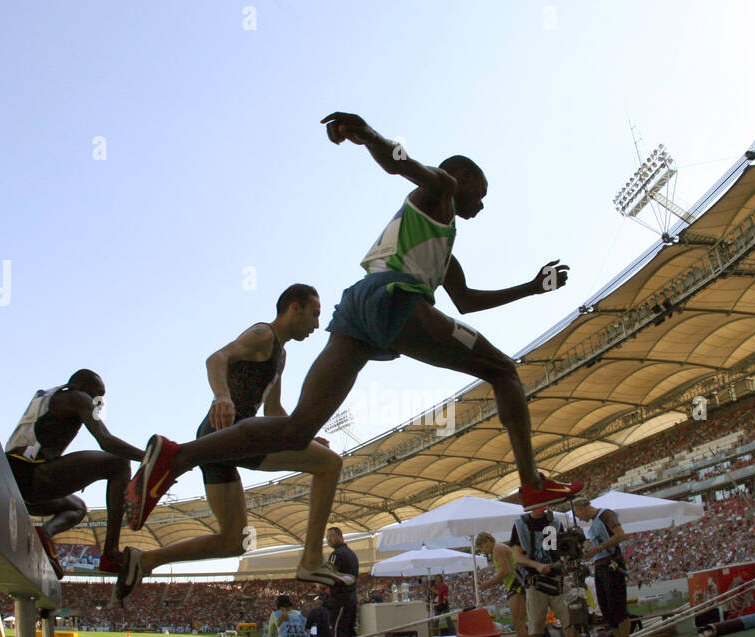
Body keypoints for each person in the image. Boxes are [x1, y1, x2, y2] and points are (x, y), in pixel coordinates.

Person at [124, 111, 583, 532]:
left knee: (297, 430)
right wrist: (367, 135)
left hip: (358, 310)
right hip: (393, 301)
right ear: (461, 177)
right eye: (479, 194)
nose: (480, 207)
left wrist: (531, 286)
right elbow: (401, 164)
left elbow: (466, 302)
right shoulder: (442, 187)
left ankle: (177, 456)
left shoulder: (439, 245)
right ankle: (532, 481)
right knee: (502, 369)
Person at [115, 285, 350, 598]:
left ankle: (145, 559)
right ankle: (311, 559)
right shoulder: (262, 334)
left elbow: (274, 411)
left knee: (233, 542)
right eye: (314, 314)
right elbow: (217, 358)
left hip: (224, 440)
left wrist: (305, 433)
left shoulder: (280, 354)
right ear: (294, 308)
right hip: (229, 432)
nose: (317, 325)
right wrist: (222, 395)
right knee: (329, 465)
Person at [4, 369, 143, 578]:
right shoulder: (76, 396)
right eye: (98, 393)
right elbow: (105, 440)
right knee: (119, 464)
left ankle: (45, 535)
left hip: (21, 483)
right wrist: (149, 457)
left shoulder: (49, 398)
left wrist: (76, 474)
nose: (100, 400)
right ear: (83, 387)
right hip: (30, 475)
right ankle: (111, 553)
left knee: (77, 508)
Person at [511, 508, 587, 637]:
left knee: (568, 620)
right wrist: (537, 565)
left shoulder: (555, 523)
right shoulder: (520, 525)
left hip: (557, 578)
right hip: (535, 580)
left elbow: (562, 550)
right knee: (536, 623)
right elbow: (518, 556)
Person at [574, 498, 635, 637]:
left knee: (617, 607)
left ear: (584, 508)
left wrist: (599, 548)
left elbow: (620, 535)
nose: (578, 518)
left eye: (578, 513)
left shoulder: (606, 515)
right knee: (608, 610)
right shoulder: (595, 523)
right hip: (600, 565)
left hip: (611, 563)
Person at [475, 531, 528, 637]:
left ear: (488, 541)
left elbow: (506, 571)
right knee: (519, 623)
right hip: (515, 584)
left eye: (482, 547)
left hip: (516, 585)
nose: (484, 551)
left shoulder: (498, 549)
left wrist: (488, 583)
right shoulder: (500, 548)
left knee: (519, 623)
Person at [320, 527, 360, 637]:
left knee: (338, 634)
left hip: (340, 600)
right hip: (350, 599)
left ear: (339, 536)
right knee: (349, 632)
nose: (329, 540)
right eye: (327, 537)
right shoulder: (351, 554)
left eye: (331, 536)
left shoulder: (337, 554)